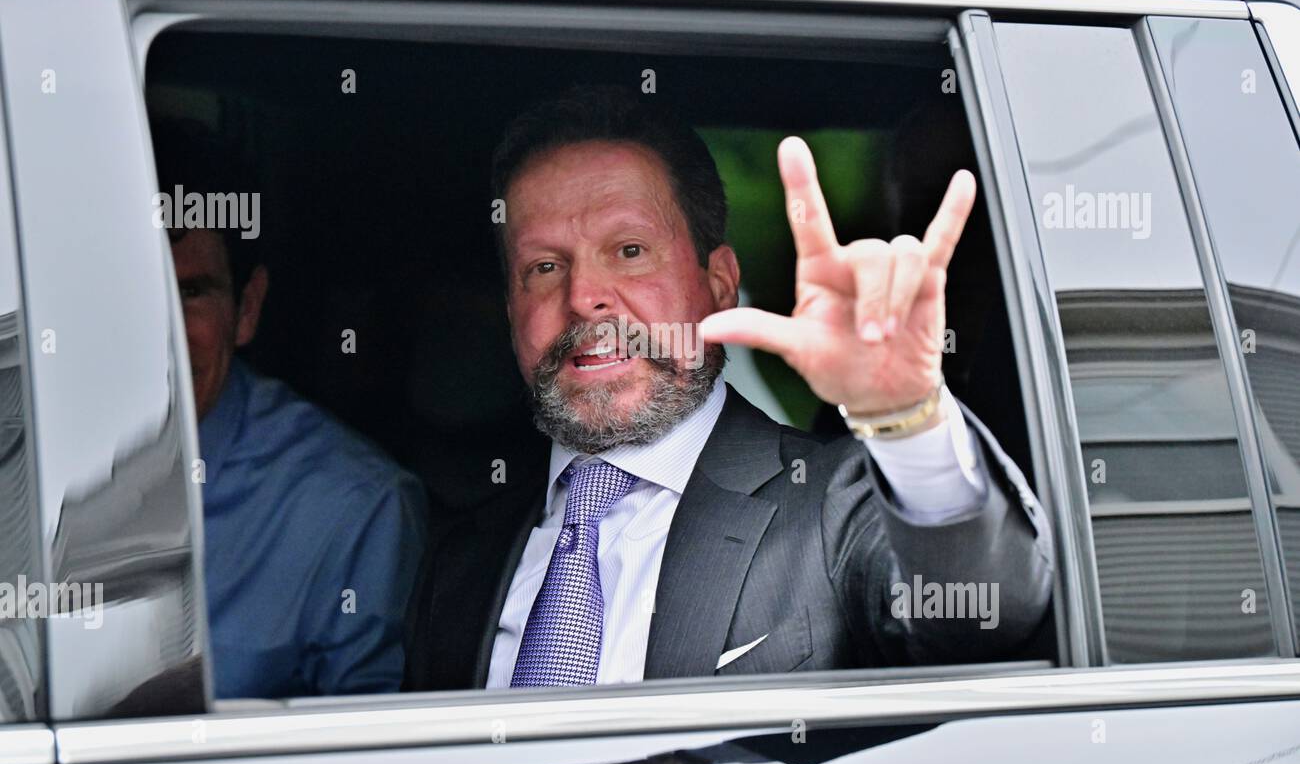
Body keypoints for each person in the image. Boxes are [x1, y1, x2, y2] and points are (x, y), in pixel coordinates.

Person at [404, 86, 1051, 690]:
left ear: (718, 281)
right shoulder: (461, 561)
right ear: (511, 311)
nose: (583, 299)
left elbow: (989, 618)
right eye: (543, 267)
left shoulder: (835, 505)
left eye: (629, 250)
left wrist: (905, 416)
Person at [160, 118, 428, 699]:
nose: (154, 332)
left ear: (247, 307)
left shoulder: (351, 510)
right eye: (122, 287)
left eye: (190, 293)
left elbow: (371, 761)